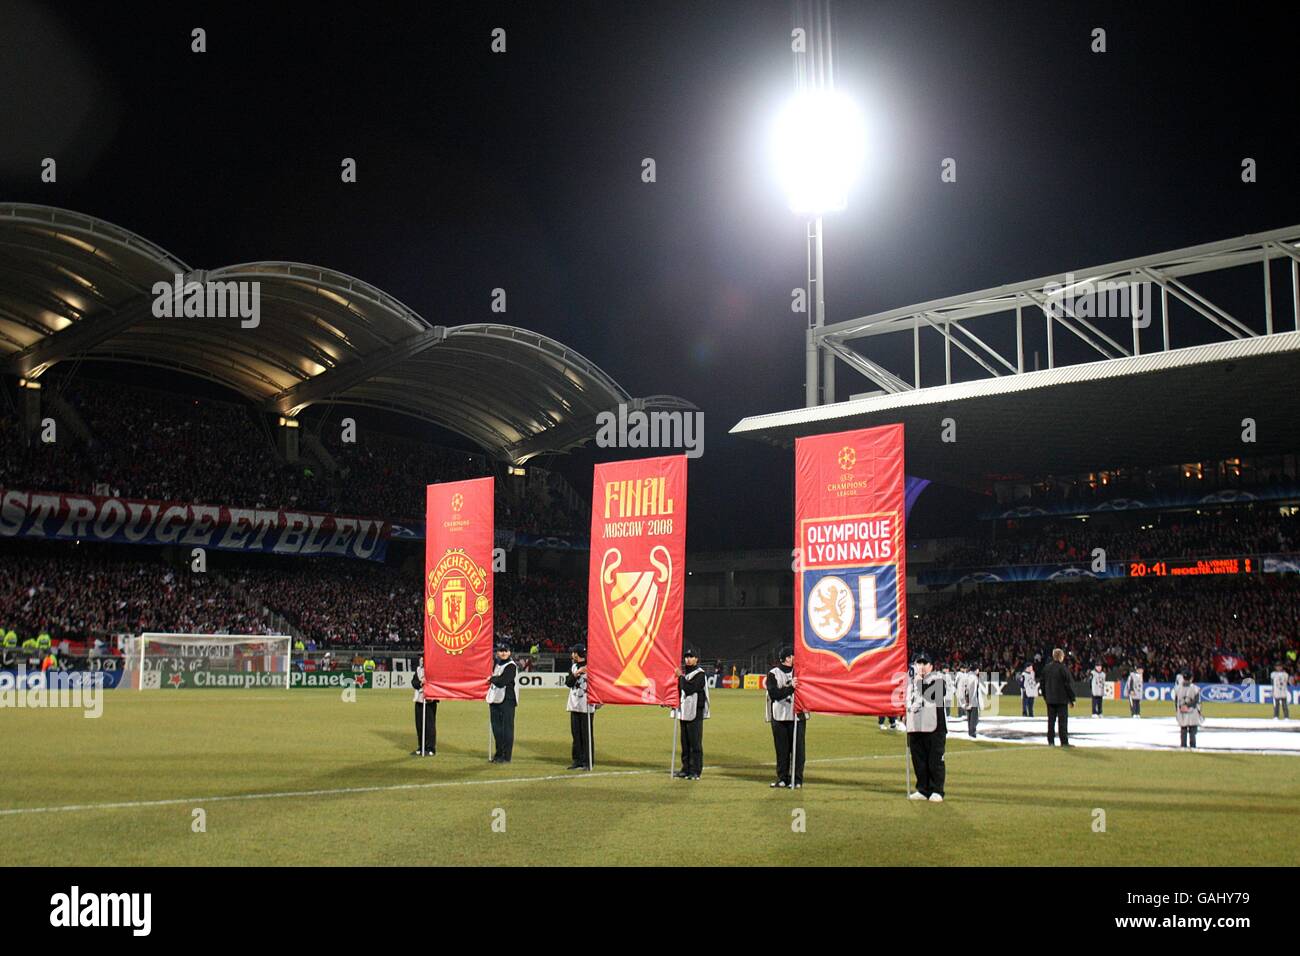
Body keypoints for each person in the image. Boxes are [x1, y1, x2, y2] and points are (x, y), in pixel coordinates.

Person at [906, 649, 947, 802]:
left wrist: (918, 681)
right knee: (919, 760)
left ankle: (937, 789)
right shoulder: (910, 682)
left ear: (931, 666)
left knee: (934, 760)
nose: (922, 666)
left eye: (925, 663)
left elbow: (933, 694)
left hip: (934, 728)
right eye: (919, 663)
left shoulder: (939, 679)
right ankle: (922, 789)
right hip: (916, 727)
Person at [765, 646, 806, 788]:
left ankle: (797, 780)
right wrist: (790, 688)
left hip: (797, 716)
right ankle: (782, 778)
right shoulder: (773, 673)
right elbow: (774, 694)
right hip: (780, 716)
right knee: (782, 751)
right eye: (793, 655)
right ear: (788, 658)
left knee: (798, 751)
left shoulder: (800, 672)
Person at [672, 647, 709, 779]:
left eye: (691, 657)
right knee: (685, 742)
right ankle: (685, 768)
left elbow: (689, 688)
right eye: (686, 657)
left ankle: (696, 771)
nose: (688, 659)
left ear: (696, 659)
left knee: (695, 743)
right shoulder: (685, 674)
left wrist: (680, 677)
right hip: (684, 711)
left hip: (695, 712)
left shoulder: (700, 674)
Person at [565, 644, 596, 770]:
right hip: (574, 704)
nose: (572, 655)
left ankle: (588, 762)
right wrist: (577, 673)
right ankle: (577, 760)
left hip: (587, 705)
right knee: (576, 734)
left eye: (573, 653)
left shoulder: (592, 667)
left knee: (586, 735)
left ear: (577, 654)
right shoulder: (573, 667)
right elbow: (568, 683)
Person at [487, 642, 518, 763]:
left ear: (510, 652)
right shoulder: (496, 664)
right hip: (495, 700)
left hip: (507, 701)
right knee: (497, 729)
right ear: (497, 652)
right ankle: (498, 754)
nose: (503, 653)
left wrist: (491, 679)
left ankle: (506, 756)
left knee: (507, 730)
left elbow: (502, 681)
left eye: (506, 650)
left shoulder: (511, 666)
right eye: (501, 650)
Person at [1040, 648, 1076, 747]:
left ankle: (1050, 741)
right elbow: (1068, 685)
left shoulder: (1046, 668)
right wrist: (1072, 699)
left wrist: (1046, 696)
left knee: (1051, 721)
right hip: (1061, 700)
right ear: (1061, 657)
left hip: (1050, 699)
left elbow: (1042, 684)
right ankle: (1064, 742)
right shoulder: (1063, 668)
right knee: (1062, 722)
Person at [411, 655, 436, 756]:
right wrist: (420, 684)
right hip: (419, 700)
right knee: (419, 724)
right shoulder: (418, 670)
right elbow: (414, 682)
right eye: (420, 659)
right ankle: (421, 746)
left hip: (430, 700)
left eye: (423, 659)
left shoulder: (432, 670)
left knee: (429, 725)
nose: (421, 660)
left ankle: (430, 748)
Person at [1173, 671, 1203, 748]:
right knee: (1193, 730)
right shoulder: (1195, 688)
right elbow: (1196, 701)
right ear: (1191, 678)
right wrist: (1189, 706)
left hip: (1182, 711)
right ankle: (1192, 746)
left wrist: (1178, 709)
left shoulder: (1177, 688)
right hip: (1192, 712)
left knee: (1183, 729)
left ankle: (1183, 745)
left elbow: (1176, 701)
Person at [957, 663, 984, 739]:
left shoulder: (966, 676)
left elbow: (962, 688)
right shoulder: (974, 677)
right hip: (973, 700)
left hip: (966, 698)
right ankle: (972, 732)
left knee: (969, 717)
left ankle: (970, 731)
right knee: (974, 718)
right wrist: (972, 701)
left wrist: (964, 701)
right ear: (976, 670)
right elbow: (973, 690)